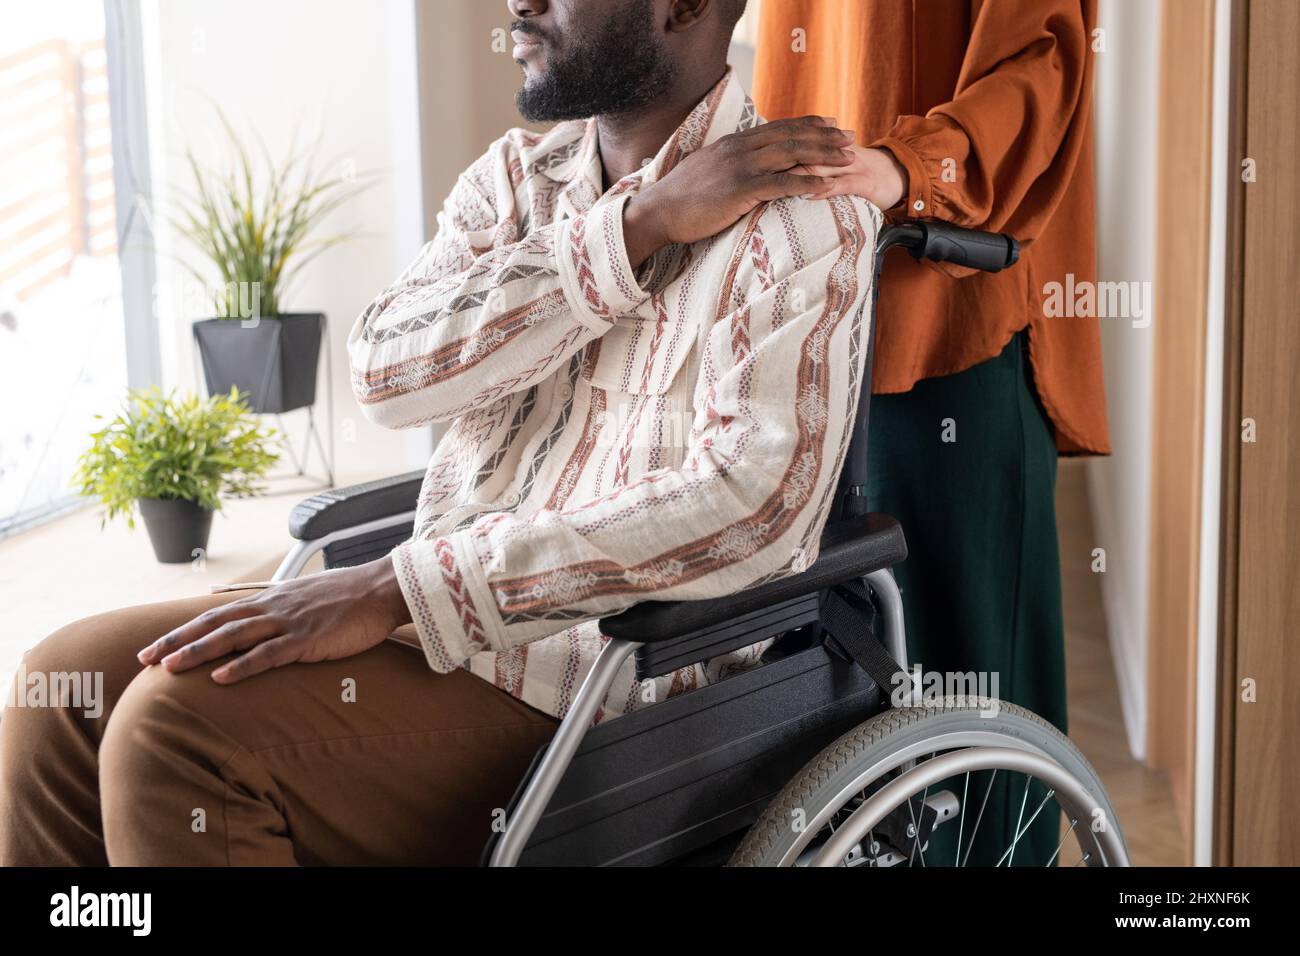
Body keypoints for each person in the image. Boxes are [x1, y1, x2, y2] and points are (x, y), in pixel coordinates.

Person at [0, 0, 882, 866]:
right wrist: (634, 231)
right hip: (429, 634)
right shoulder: (512, 184)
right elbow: (385, 373)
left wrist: (398, 588)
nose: (519, 4)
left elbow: (752, 505)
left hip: (609, 688)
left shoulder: (803, 219)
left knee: (174, 735)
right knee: (57, 689)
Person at [753, 0, 1108, 865]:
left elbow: (1040, 62)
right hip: (811, 313)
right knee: (840, 687)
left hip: (944, 310)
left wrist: (906, 164)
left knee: (976, 703)